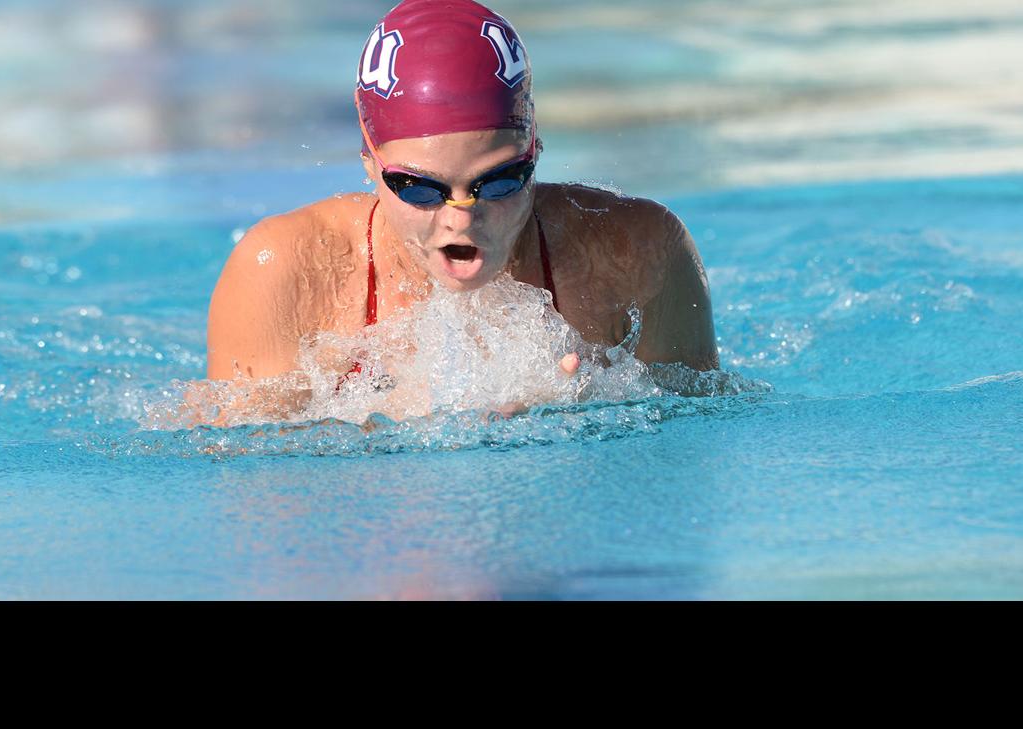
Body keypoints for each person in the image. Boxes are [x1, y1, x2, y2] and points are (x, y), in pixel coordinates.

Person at [203, 0, 717, 421]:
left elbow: (696, 438)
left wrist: (581, 413)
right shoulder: (285, 272)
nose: (461, 219)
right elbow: (241, 466)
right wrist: (394, 419)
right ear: (369, 163)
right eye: (420, 188)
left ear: (535, 150)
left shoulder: (638, 253)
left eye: (498, 181)